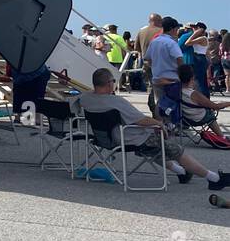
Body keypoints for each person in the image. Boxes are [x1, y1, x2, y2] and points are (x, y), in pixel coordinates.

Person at [76, 67, 226, 189]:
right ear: (109, 83)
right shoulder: (115, 101)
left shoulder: (85, 98)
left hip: (104, 139)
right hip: (129, 139)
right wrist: (159, 124)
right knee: (174, 149)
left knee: (155, 147)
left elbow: (72, 104)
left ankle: (181, 171)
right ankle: (214, 178)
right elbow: (141, 120)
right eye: (113, 81)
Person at [177, 63, 230, 147]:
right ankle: (222, 137)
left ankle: (222, 137)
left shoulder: (176, 91)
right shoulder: (194, 94)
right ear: (192, 78)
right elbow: (216, 106)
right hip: (197, 119)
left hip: (183, 118)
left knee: (209, 110)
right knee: (210, 114)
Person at [146, 17, 184, 118]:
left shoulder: (154, 42)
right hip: (171, 78)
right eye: (177, 29)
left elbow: (148, 59)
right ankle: (171, 124)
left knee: (159, 103)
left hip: (157, 77)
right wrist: (182, 73)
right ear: (172, 29)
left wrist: (155, 67)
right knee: (172, 104)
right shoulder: (171, 43)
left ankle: (160, 124)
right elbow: (179, 58)